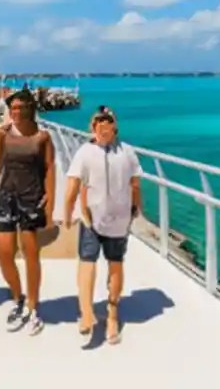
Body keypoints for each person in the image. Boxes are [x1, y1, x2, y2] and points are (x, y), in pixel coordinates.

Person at [62, 105, 141, 345]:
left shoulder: (127, 152)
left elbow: (135, 184)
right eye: (99, 123)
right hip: (91, 219)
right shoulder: (85, 152)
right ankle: (86, 312)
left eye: (107, 122)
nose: (103, 127)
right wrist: (68, 211)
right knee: (87, 262)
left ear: (115, 127)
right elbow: (74, 185)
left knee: (115, 265)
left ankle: (112, 314)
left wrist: (136, 210)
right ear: (93, 127)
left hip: (118, 221)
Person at [0, 89, 56, 334]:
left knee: (31, 254)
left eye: (20, 108)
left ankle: (34, 307)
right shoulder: (2, 135)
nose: (15, 112)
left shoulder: (43, 137)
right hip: (6, 197)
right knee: (5, 254)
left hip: (31, 198)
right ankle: (18, 297)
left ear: (30, 109)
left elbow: (49, 169)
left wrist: (51, 202)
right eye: (12, 108)